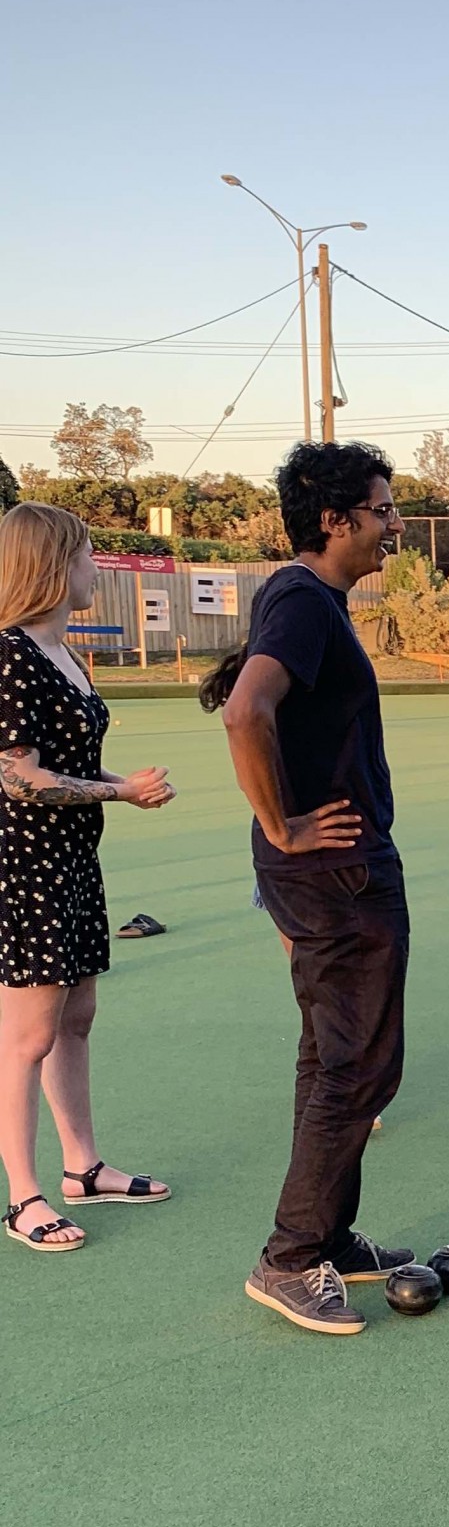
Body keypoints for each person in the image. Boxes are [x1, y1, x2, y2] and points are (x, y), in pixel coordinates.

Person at [220, 443, 413, 1335]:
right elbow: (244, 711)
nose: (393, 525)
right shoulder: (302, 601)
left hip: (331, 870)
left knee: (331, 1055)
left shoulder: (305, 598)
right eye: (381, 510)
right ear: (334, 520)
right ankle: (291, 1258)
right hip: (334, 873)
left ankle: (325, 1235)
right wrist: (283, 825)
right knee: (359, 1063)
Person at [1, 503, 175, 1252]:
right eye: (85, 554)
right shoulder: (10, 655)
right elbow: (21, 779)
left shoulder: (62, 653)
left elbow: (67, 764)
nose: (95, 567)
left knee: (76, 1019)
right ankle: (24, 1198)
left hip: (73, 860)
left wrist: (121, 785)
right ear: (51, 565)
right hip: (25, 868)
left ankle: (83, 1168)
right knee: (28, 1036)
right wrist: (119, 792)